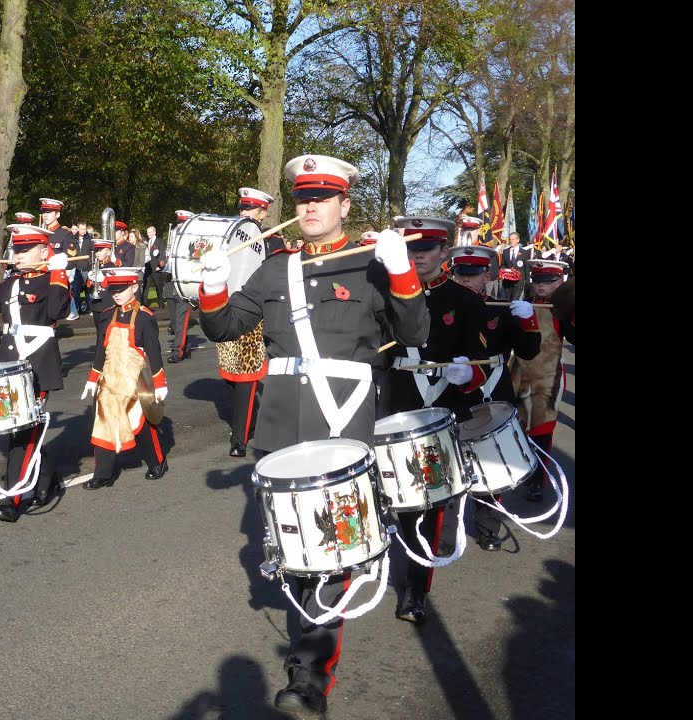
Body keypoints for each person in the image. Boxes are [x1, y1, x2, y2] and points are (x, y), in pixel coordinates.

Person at [196, 154, 428, 716]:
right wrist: (213, 283)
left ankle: (310, 675)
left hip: (341, 422)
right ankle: (310, 647)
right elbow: (225, 327)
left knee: (329, 549)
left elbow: (415, 332)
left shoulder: (370, 263)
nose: (311, 206)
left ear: (345, 204)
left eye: (323, 197)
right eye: (303, 198)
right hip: (281, 425)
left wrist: (401, 272)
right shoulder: (276, 268)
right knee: (296, 548)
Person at [381, 215, 490, 626]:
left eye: (425, 248)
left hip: (443, 410)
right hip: (395, 405)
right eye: (410, 248)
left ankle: (416, 587)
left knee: (430, 504)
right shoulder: (385, 294)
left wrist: (469, 374)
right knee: (395, 499)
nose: (417, 255)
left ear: (445, 251)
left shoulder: (466, 301)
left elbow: (483, 362)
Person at [0, 224, 68, 523]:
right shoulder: (10, 283)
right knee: (16, 429)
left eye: (25, 250)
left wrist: (60, 274)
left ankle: (11, 498)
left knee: (23, 432)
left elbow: (57, 311)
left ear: (43, 252)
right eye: (16, 250)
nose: (17, 255)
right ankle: (48, 476)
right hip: (9, 362)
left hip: (39, 362)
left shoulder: (51, 279)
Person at [447, 245, 541, 549]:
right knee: (449, 461)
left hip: (493, 389)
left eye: (472, 274)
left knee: (492, 460)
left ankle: (487, 527)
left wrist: (528, 323)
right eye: (460, 273)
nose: (465, 279)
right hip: (451, 388)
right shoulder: (441, 307)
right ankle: (445, 531)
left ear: (487, 276)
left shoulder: (500, 309)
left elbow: (528, 351)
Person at [80, 267, 169, 488]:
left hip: (133, 380)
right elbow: (101, 350)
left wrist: (159, 384)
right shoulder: (106, 315)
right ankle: (103, 473)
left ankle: (157, 462)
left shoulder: (145, 317)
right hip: (109, 378)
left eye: (121, 289)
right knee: (103, 421)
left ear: (135, 287)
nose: (117, 294)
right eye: (113, 290)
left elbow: (154, 352)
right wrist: (92, 378)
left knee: (139, 423)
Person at [217, 188, 276, 458]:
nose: (244, 213)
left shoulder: (271, 242)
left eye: (250, 209)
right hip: (228, 308)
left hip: (253, 316)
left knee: (245, 378)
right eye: (243, 208)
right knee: (229, 376)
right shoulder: (227, 237)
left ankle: (239, 438)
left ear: (263, 213)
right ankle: (252, 422)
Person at [509, 259, 572, 503]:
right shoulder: (524, 304)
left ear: (559, 282)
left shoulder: (562, 310)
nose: (541, 285)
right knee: (517, 429)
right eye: (537, 280)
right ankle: (521, 471)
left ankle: (537, 481)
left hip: (547, 378)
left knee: (541, 431)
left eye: (548, 281)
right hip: (519, 374)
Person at [37, 198, 81, 321]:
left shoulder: (65, 233)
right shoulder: (40, 233)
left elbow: (71, 258)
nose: (45, 215)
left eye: (49, 212)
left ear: (57, 214)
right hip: (40, 276)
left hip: (55, 277)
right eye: (43, 212)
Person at [165, 210, 197, 363]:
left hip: (185, 283)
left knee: (181, 320)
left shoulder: (195, 240)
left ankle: (177, 352)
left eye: (182, 224)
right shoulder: (175, 238)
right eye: (179, 223)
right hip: (172, 281)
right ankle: (186, 347)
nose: (179, 227)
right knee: (175, 320)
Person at [85, 234, 120, 337]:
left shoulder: (113, 267)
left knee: (109, 334)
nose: (98, 253)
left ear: (108, 252)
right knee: (99, 334)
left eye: (101, 250)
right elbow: (88, 288)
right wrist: (90, 280)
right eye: (96, 250)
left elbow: (115, 286)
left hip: (109, 304)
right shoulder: (93, 266)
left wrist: (104, 280)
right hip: (97, 305)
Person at [498, 231, 534, 301]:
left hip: (519, 282)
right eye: (510, 239)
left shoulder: (524, 252)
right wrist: (506, 271)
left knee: (515, 300)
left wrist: (527, 281)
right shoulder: (505, 252)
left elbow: (526, 267)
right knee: (508, 300)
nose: (511, 241)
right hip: (507, 282)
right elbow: (503, 265)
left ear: (518, 240)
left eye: (513, 239)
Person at [140, 225, 168, 309]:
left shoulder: (159, 242)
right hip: (148, 268)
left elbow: (163, 254)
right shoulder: (147, 242)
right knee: (146, 286)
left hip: (156, 268)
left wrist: (160, 266)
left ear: (154, 232)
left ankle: (161, 303)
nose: (148, 234)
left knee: (158, 286)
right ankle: (144, 303)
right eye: (147, 232)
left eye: (149, 232)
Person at [71, 220, 95, 313]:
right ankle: (76, 309)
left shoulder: (90, 239)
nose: (84, 231)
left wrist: (89, 262)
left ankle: (91, 308)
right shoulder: (73, 239)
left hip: (86, 268)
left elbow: (93, 252)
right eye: (82, 229)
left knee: (88, 289)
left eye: (85, 229)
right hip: (76, 268)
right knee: (76, 290)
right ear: (78, 229)